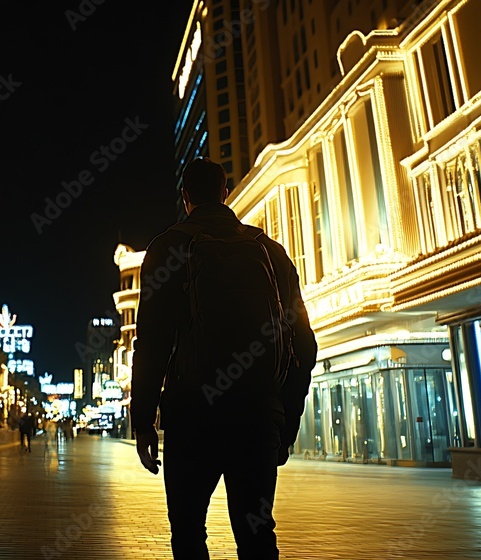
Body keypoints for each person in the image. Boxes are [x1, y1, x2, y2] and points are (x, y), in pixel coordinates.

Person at [131, 158, 317, 559]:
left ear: (185, 198)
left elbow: (152, 343)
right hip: (256, 418)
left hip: (192, 415)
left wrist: (143, 422)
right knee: (256, 535)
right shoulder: (270, 251)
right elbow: (305, 346)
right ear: (225, 192)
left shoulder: (166, 247)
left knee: (188, 531)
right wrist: (284, 421)